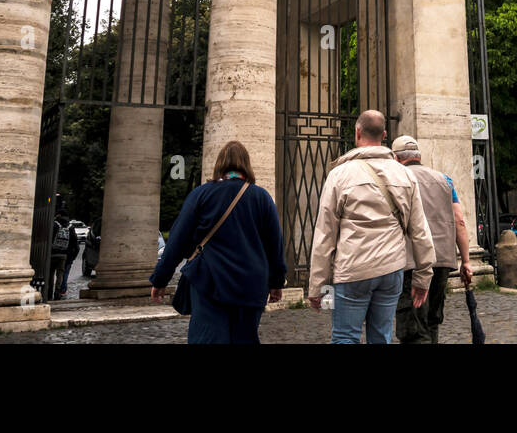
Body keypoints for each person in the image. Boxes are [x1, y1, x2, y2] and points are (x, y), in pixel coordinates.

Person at [307, 110, 435, 344]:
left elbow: (325, 235)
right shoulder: (405, 175)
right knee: (381, 337)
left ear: (357, 132)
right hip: (391, 270)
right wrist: (423, 277)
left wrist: (318, 286)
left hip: (352, 270)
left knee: (345, 336)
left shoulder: (339, 175)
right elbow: (420, 232)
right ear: (385, 135)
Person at [150, 141, 286, 344]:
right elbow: (275, 246)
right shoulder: (262, 198)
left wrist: (160, 280)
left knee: (208, 339)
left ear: (220, 164)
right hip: (251, 285)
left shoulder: (201, 194)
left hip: (209, 283)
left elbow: (177, 241)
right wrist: (276, 283)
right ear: (247, 165)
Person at [391, 135, 473, 344]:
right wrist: (466, 261)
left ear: (396, 157)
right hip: (441, 261)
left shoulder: (397, 179)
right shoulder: (445, 180)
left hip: (412, 262)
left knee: (413, 327)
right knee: (432, 321)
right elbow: (459, 220)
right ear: (418, 156)